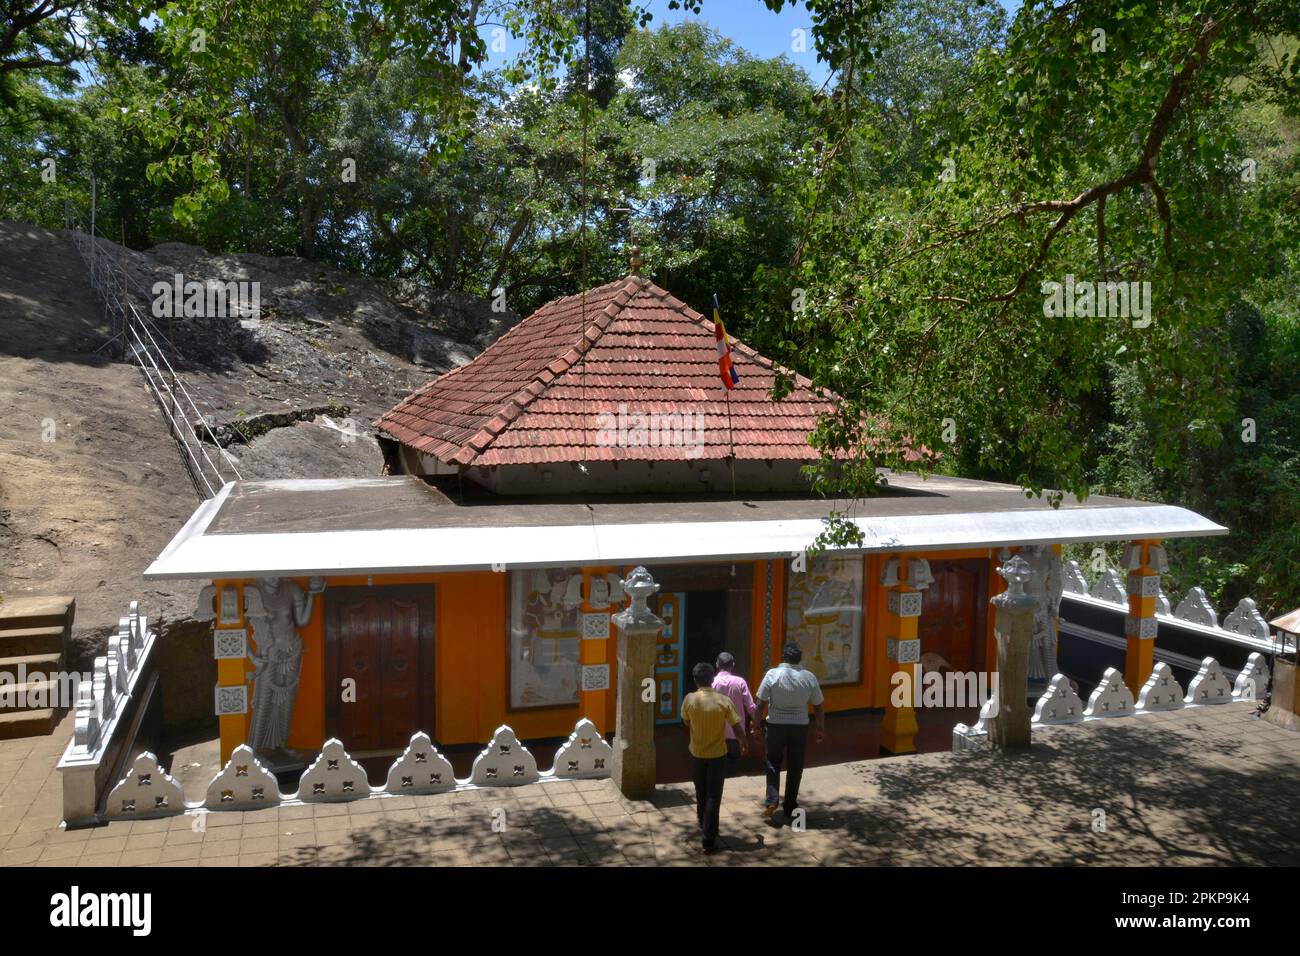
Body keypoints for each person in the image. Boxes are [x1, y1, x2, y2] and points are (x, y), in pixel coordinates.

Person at [756, 642, 825, 821]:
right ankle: (790, 805)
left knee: (773, 762)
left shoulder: (772, 675)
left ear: (783, 657)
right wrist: (820, 728)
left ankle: (772, 800)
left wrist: (755, 725)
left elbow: (760, 703)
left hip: (776, 726)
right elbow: (818, 706)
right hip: (799, 727)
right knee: (795, 767)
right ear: (799, 659)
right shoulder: (809, 677)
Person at [681, 661, 744, 853]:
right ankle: (708, 837)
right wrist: (744, 742)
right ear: (711, 679)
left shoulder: (689, 700)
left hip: (697, 753)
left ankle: (703, 823)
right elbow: (736, 726)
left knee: (700, 790)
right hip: (718, 755)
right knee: (713, 796)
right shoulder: (723, 701)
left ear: (695, 680)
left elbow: (685, 721)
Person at [711, 652, 756, 771]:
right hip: (737, 732)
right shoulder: (740, 682)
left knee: (718, 762)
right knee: (734, 761)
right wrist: (757, 723)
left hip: (717, 731)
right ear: (733, 665)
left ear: (717, 664)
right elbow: (750, 706)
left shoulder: (712, 683)